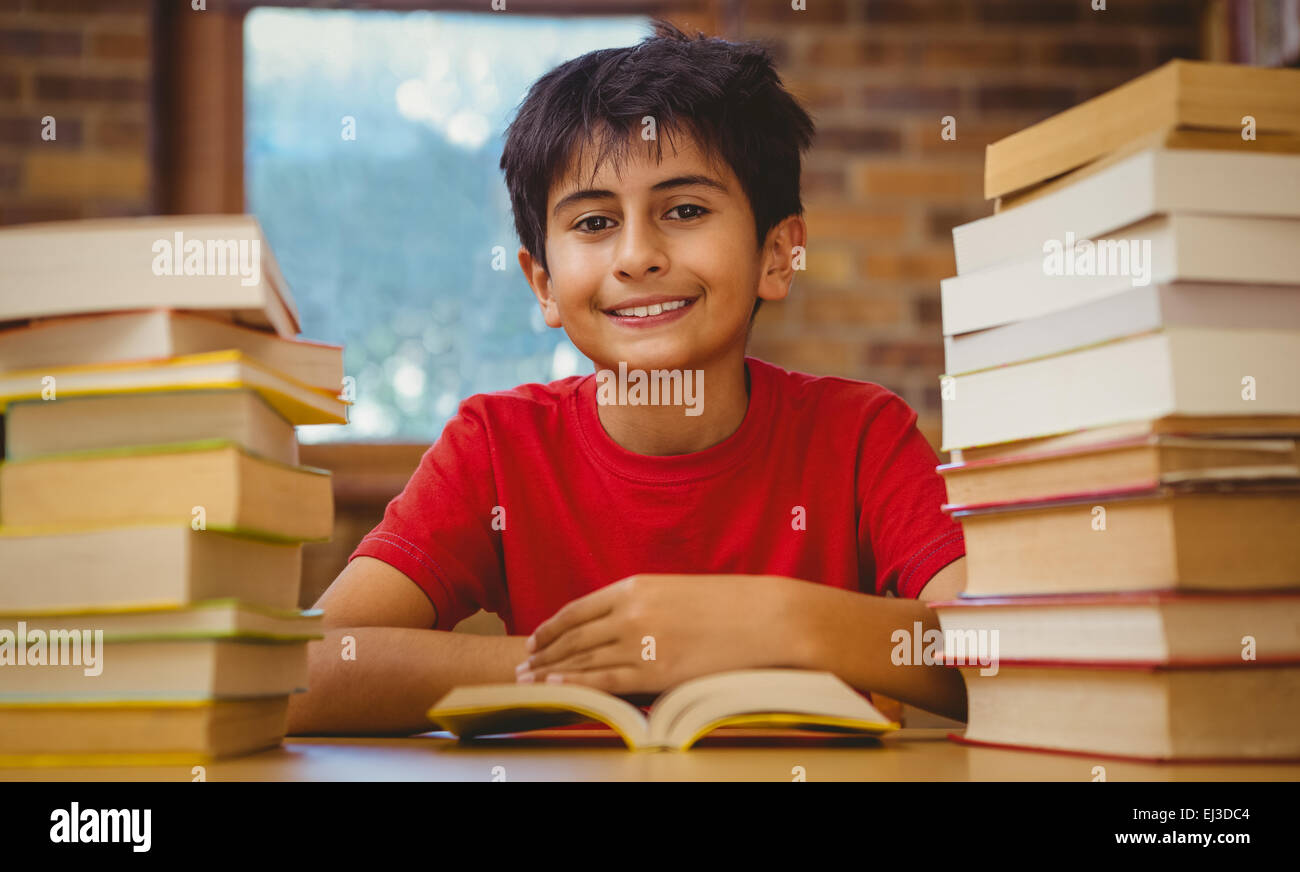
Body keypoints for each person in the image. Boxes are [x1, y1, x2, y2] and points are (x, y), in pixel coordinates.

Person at [288, 20, 967, 736]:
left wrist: (774, 623)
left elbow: (1013, 655)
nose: (637, 255)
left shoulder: (861, 438)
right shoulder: (495, 446)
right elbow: (308, 672)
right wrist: (600, 664)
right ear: (543, 283)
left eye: (685, 210)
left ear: (777, 254)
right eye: (593, 223)